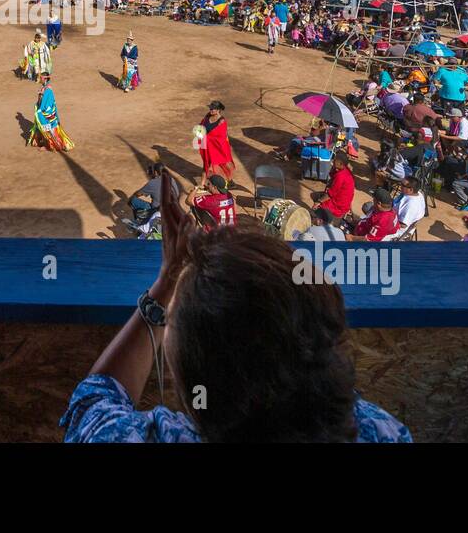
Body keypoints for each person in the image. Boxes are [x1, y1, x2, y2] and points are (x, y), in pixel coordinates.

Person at [61, 172, 411, 443]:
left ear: (189, 381)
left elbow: (91, 406)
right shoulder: (379, 431)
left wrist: (166, 284)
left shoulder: (162, 435)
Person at [28, 71, 74, 151]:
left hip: (46, 114)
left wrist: (41, 111)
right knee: (42, 129)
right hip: (42, 112)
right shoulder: (43, 88)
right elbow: (41, 101)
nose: (39, 79)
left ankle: (51, 145)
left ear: (45, 79)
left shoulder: (48, 90)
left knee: (48, 130)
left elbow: (48, 105)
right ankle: (44, 143)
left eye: (41, 78)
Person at [196, 100, 235, 185]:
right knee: (206, 164)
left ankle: (230, 180)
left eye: (213, 109)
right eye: (210, 108)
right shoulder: (207, 116)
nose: (211, 110)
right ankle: (202, 185)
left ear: (218, 110)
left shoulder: (222, 121)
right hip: (208, 146)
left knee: (223, 163)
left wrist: (208, 138)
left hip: (218, 147)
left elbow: (220, 136)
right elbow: (201, 126)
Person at [122, 164, 165, 237]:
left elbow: (137, 194)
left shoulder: (153, 183)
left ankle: (140, 223)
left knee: (133, 201)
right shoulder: (172, 180)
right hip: (169, 209)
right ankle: (142, 221)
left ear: (156, 173)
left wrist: (130, 199)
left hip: (156, 210)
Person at [311, 150, 354, 222]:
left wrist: (319, 202)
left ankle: (320, 218)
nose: (333, 161)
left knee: (315, 207)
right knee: (315, 196)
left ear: (341, 164)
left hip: (338, 205)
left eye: (335, 161)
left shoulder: (340, 176)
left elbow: (330, 194)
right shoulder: (342, 170)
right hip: (341, 201)